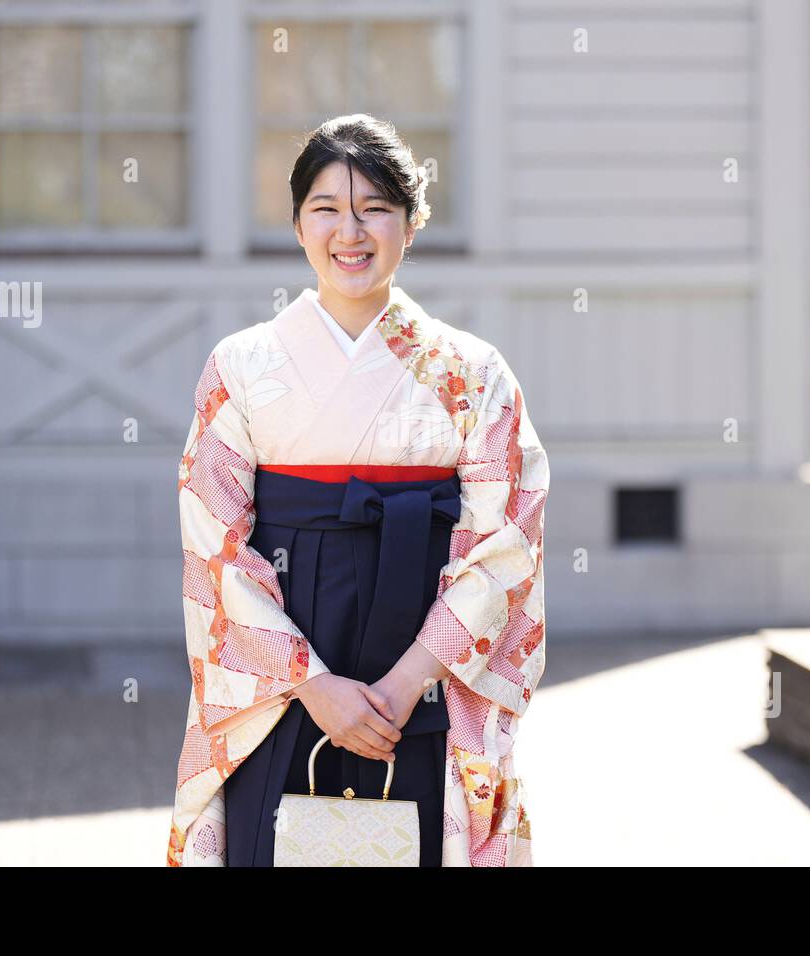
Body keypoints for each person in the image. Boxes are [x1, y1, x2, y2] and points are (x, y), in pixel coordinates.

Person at [165, 114, 548, 867]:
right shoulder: (241, 367)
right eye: (326, 209)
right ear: (298, 225)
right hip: (281, 689)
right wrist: (314, 686)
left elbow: (507, 545)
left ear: (411, 222)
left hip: (425, 688)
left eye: (375, 207)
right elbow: (215, 545)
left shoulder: (474, 373)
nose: (352, 231)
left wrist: (406, 685)